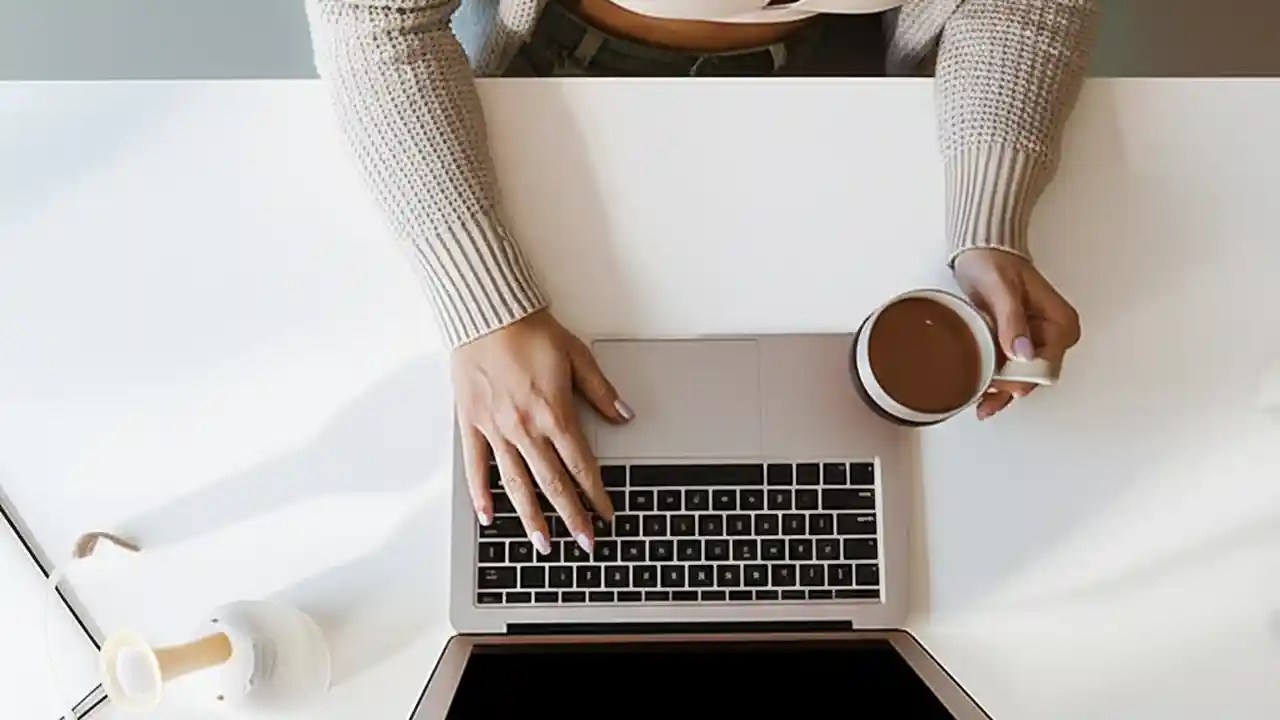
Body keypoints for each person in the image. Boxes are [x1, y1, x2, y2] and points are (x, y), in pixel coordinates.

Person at [304, 0, 1096, 555]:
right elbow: (375, 18)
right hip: (563, 65)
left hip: (842, 76)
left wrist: (993, 215)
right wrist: (484, 305)